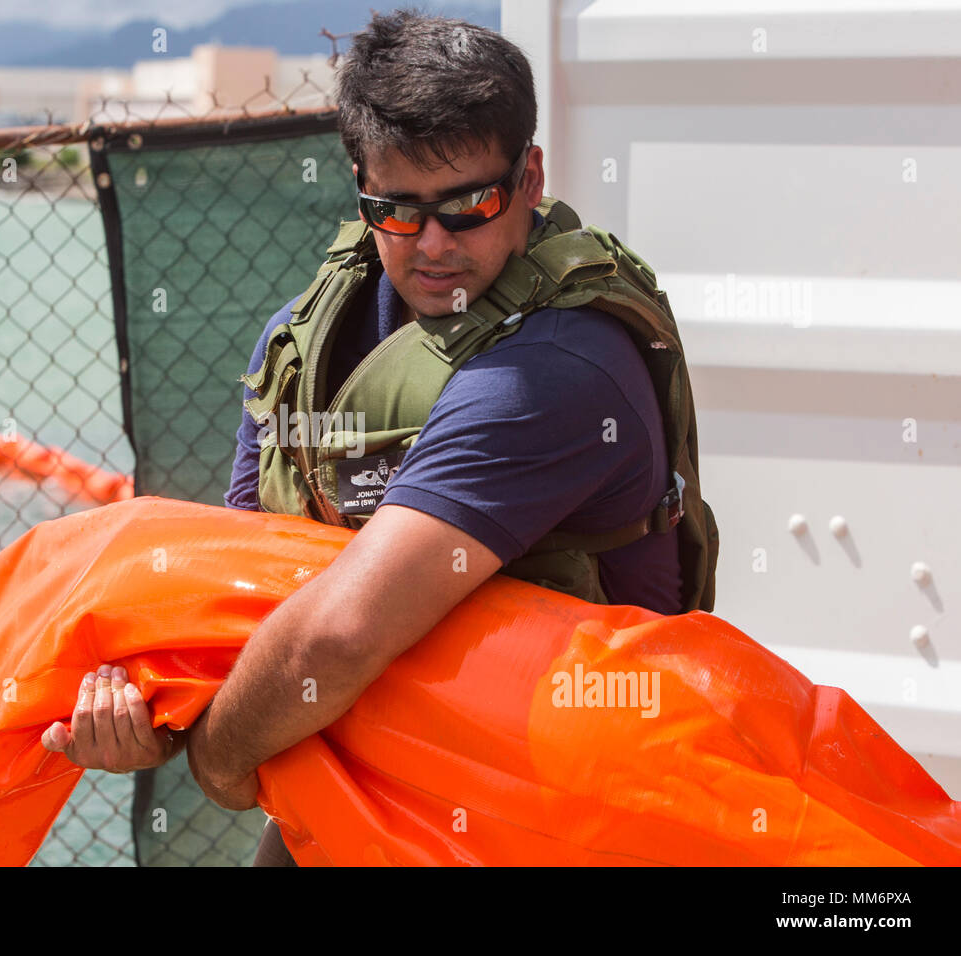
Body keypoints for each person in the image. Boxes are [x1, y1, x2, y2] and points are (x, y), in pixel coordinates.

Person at [43, 8, 715, 867]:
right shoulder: (304, 344)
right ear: (358, 185)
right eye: (396, 210)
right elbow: (235, 594)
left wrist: (213, 755)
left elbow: (339, 635)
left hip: (552, 820)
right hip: (350, 798)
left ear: (530, 177)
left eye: (472, 204)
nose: (435, 245)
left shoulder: (556, 369)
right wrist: (149, 716)